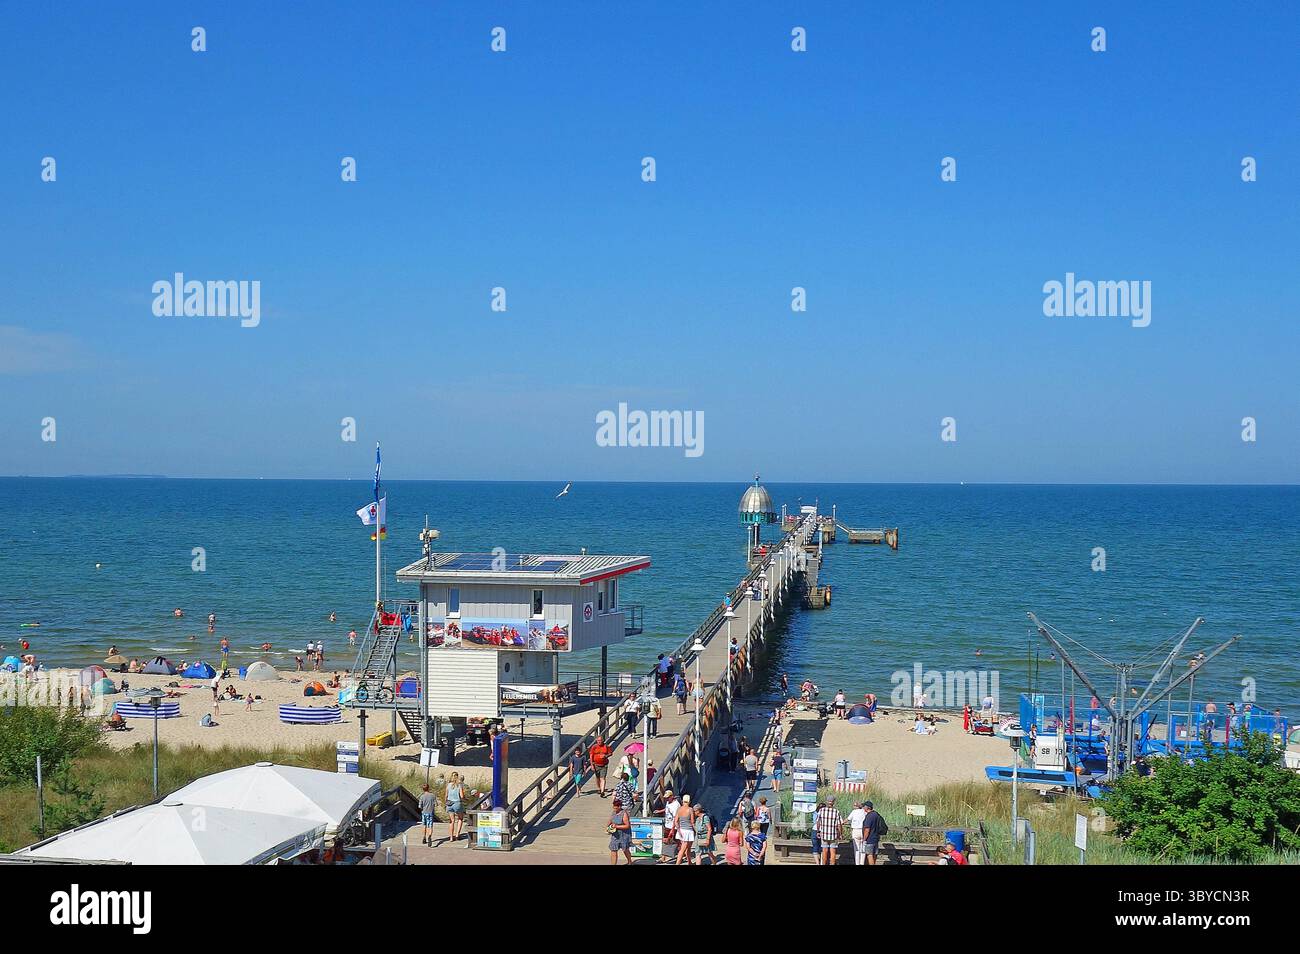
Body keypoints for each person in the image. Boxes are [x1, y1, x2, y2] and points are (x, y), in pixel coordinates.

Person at [814, 796, 844, 866]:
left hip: (824, 834)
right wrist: (840, 834)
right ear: (833, 802)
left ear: (827, 801)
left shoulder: (821, 810)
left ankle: (824, 864)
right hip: (833, 834)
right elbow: (839, 825)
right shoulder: (836, 811)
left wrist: (818, 831)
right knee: (833, 851)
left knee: (824, 851)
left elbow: (818, 822)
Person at [860, 800, 885, 866]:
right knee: (874, 854)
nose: (863, 808)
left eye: (864, 806)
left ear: (867, 807)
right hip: (876, 838)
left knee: (869, 855)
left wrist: (864, 839)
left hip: (870, 839)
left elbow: (867, 829)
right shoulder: (876, 814)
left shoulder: (869, 816)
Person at [608, 799, 633, 864]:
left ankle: (629, 861)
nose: (614, 808)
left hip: (624, 834)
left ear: (619, 807)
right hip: (615, 834)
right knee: (613, 850)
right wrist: (608, 827)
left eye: (615, 807)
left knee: (625, 850)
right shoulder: (614, 812)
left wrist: (616, 826)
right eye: (613, 807)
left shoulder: (624, 814)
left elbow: (627, 825)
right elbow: (610, 820)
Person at [674, 795, 695, 864]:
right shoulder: (690, 809)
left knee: (687, 848)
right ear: (689, 801)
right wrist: (696, 830)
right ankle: (677, 863)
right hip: (688, 831)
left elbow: (676, 821)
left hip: (681, 830)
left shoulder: (679, 809)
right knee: (683, 849)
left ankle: (689, 862)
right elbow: (692, 822)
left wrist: (679, 830)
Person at [661, 790, 680, 863]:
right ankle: (663, 857)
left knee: (676, 841)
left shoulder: (676, 805)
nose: (666, 799)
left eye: (668, 797)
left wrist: (672, 829)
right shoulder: (668, 802)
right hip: (667, 825)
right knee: (665, 840)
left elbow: (676, 818)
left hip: (673, 826)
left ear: (672, 796)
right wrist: (660, 811)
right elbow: (667, 809)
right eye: (666, 798)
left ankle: (681, 854)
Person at [445, 773, 465, 842]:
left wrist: (446, 803)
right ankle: (457, 835)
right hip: (457, 803)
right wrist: (465, 799)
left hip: (449, 803)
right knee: (460, 818)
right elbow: (462, 796)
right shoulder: (459, 785)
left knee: (451, 821)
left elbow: (446, 796)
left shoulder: (448, 785)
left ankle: (451, 837)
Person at [848, 800, 868, 865]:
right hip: (863, 830)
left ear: (857, 806)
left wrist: (842, 823)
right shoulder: (864, 812)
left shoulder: (854, 812)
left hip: (856, 830)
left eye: (854, 805)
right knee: (863, 849)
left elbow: (848, 819)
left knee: (856, 849)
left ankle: (857, 863)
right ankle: (862, 863)